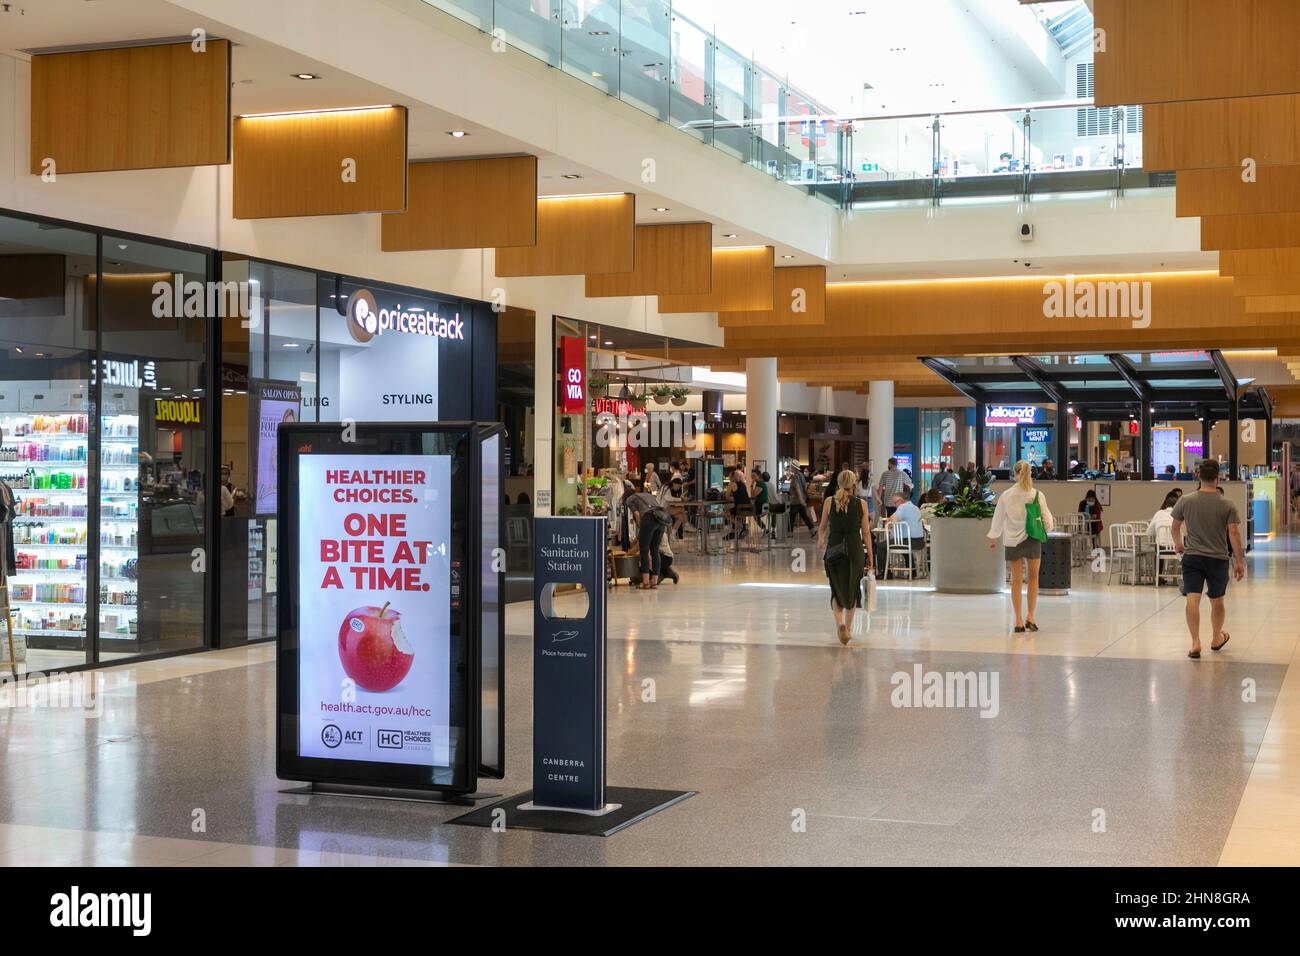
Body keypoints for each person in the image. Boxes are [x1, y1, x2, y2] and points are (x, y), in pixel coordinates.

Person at [1172, 460, 1245, 659]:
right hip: (1217, 558)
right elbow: (1234, 534)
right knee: (1217, 599)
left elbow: (1175, 526)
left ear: (1198, 476)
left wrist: (1178, 544)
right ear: (1218, 477)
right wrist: (1239, 561)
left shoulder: (1185, 500)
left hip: (1193, 557)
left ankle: (1195, 642)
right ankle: (1215, 638)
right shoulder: (1226, 504)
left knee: (1192, 599)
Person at [988, 460, 1055, 633]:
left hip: (1012, 541)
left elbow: (998, 517)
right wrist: (1044, 530)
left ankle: (1018, 621)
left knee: (1016, 581)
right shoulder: (1037, 495)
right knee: (1033, 579)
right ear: (1030, 474)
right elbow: (1048, 521)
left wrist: (994, 536)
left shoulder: (1006, 495)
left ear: (1015, 474)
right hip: (1032, 538)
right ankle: (1030, 617)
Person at [818, 469, 873, 646]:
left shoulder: (828, 502)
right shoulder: (861, 504)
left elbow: (822, 527)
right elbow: (865, 532)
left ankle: (839, 623)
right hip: (854, 549)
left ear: (838, 483)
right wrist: (870, 556)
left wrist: (820, 540)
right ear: (854, 484)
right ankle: (847, 630)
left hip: (834, 548)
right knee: (852, 589)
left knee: (836, 589)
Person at [623, 485, 669, 589]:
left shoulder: (629, 499)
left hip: (649, 517)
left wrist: (640, 526)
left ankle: (645, 581)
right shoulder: (647, 495)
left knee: (644, 550)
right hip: (661, 518)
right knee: (655, 550)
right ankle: (654, 581)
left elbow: (637, 515)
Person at [884, 491, 926, 566]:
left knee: (881, 546)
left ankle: (884, 572)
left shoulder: (902, 507)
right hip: (920, 542)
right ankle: (911, 570)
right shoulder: (916, 507)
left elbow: (893, 520)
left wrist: (889, 523)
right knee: (902, 542)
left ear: (900, 501)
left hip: (909, 542)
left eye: (895, 502)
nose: (895, 505)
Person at [786, 464, 816, 534]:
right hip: (802, 498)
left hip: (796, 500)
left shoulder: (795, 476)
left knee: (791, 516)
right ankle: (812, 530)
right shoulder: (801, 475)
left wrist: (801, 500)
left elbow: (797, 488)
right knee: (804, 515)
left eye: (791, 467)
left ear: (793, 467)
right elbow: (804, 486)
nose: (790, 468)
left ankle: (789, 532)